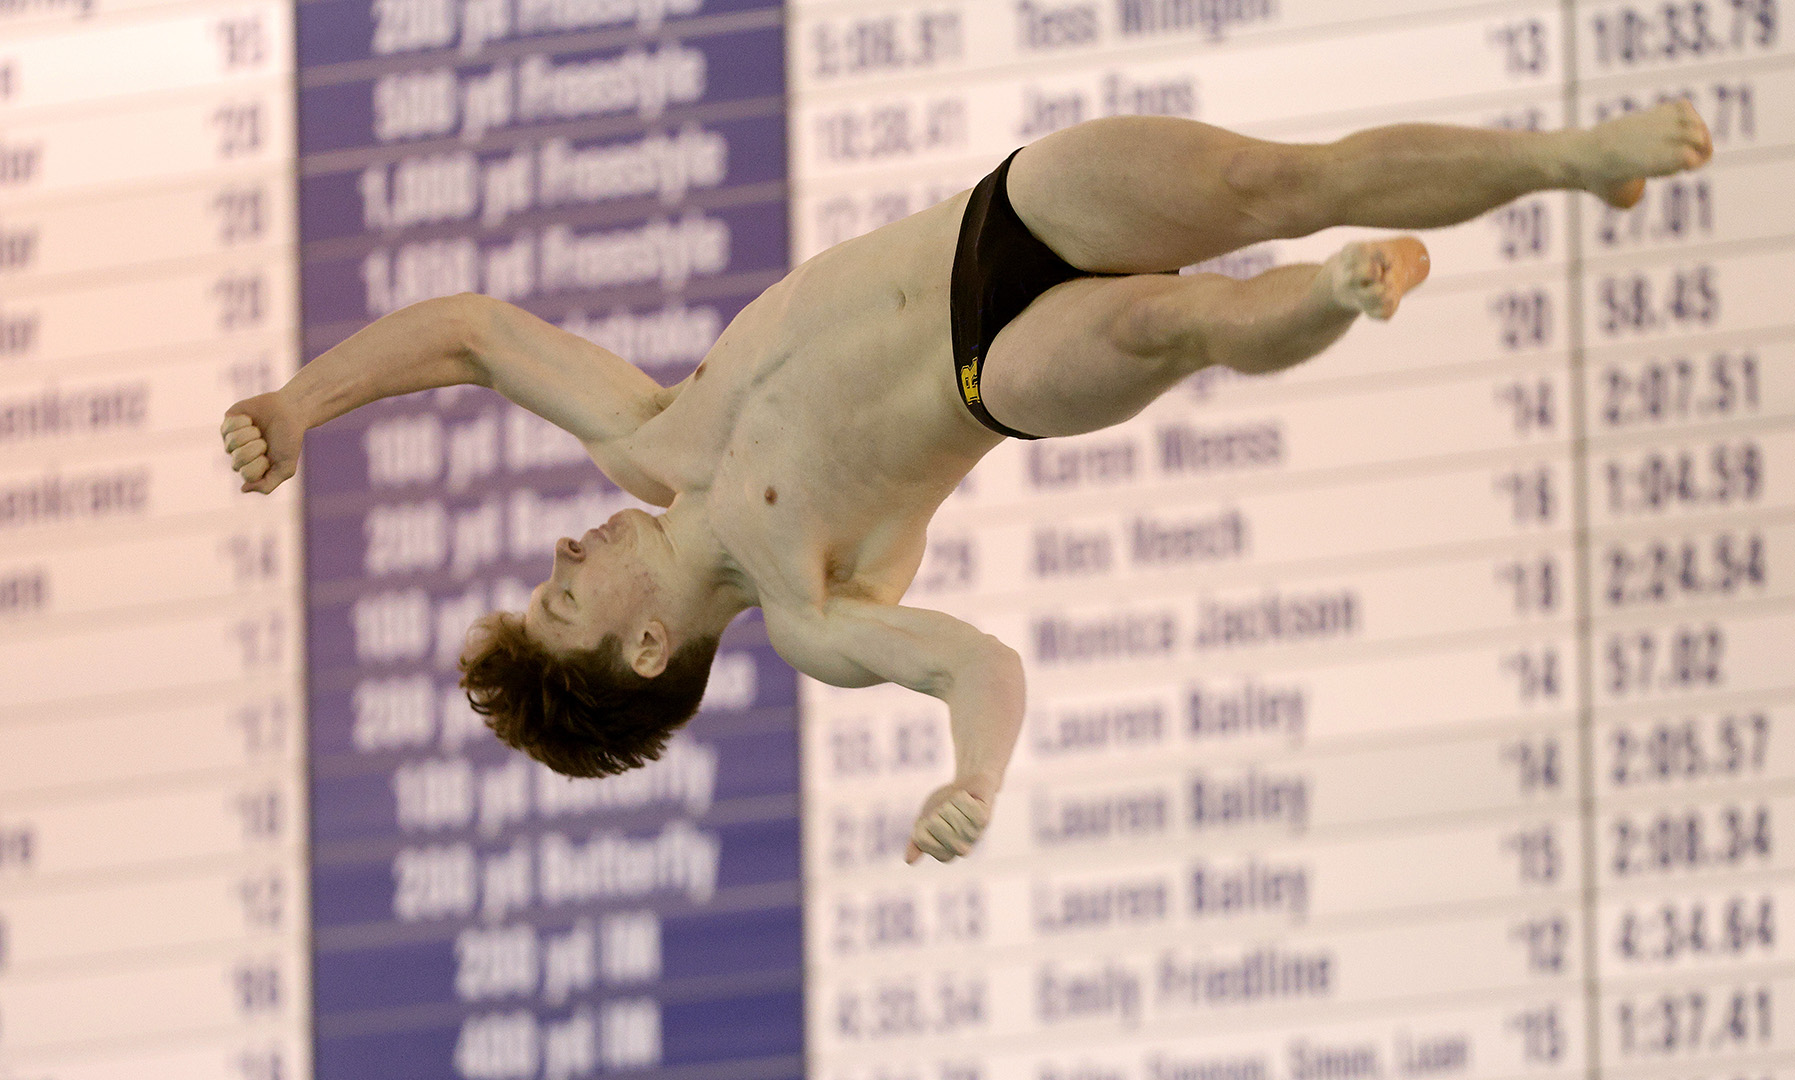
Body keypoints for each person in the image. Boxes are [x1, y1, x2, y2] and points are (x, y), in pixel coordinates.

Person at [221, 106, 1712, 864]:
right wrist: (973, 780)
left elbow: (475, 338)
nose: (563, 547)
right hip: (1001, 366)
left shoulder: (645, 435)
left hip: (1000, 221)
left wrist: (301, 405)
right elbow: (979, 666)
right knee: (1179, 325)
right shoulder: (814, 613)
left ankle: (1568, 159)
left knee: (1278, 182)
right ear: (648, 646)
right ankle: (1335, 296)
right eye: (566, 596)